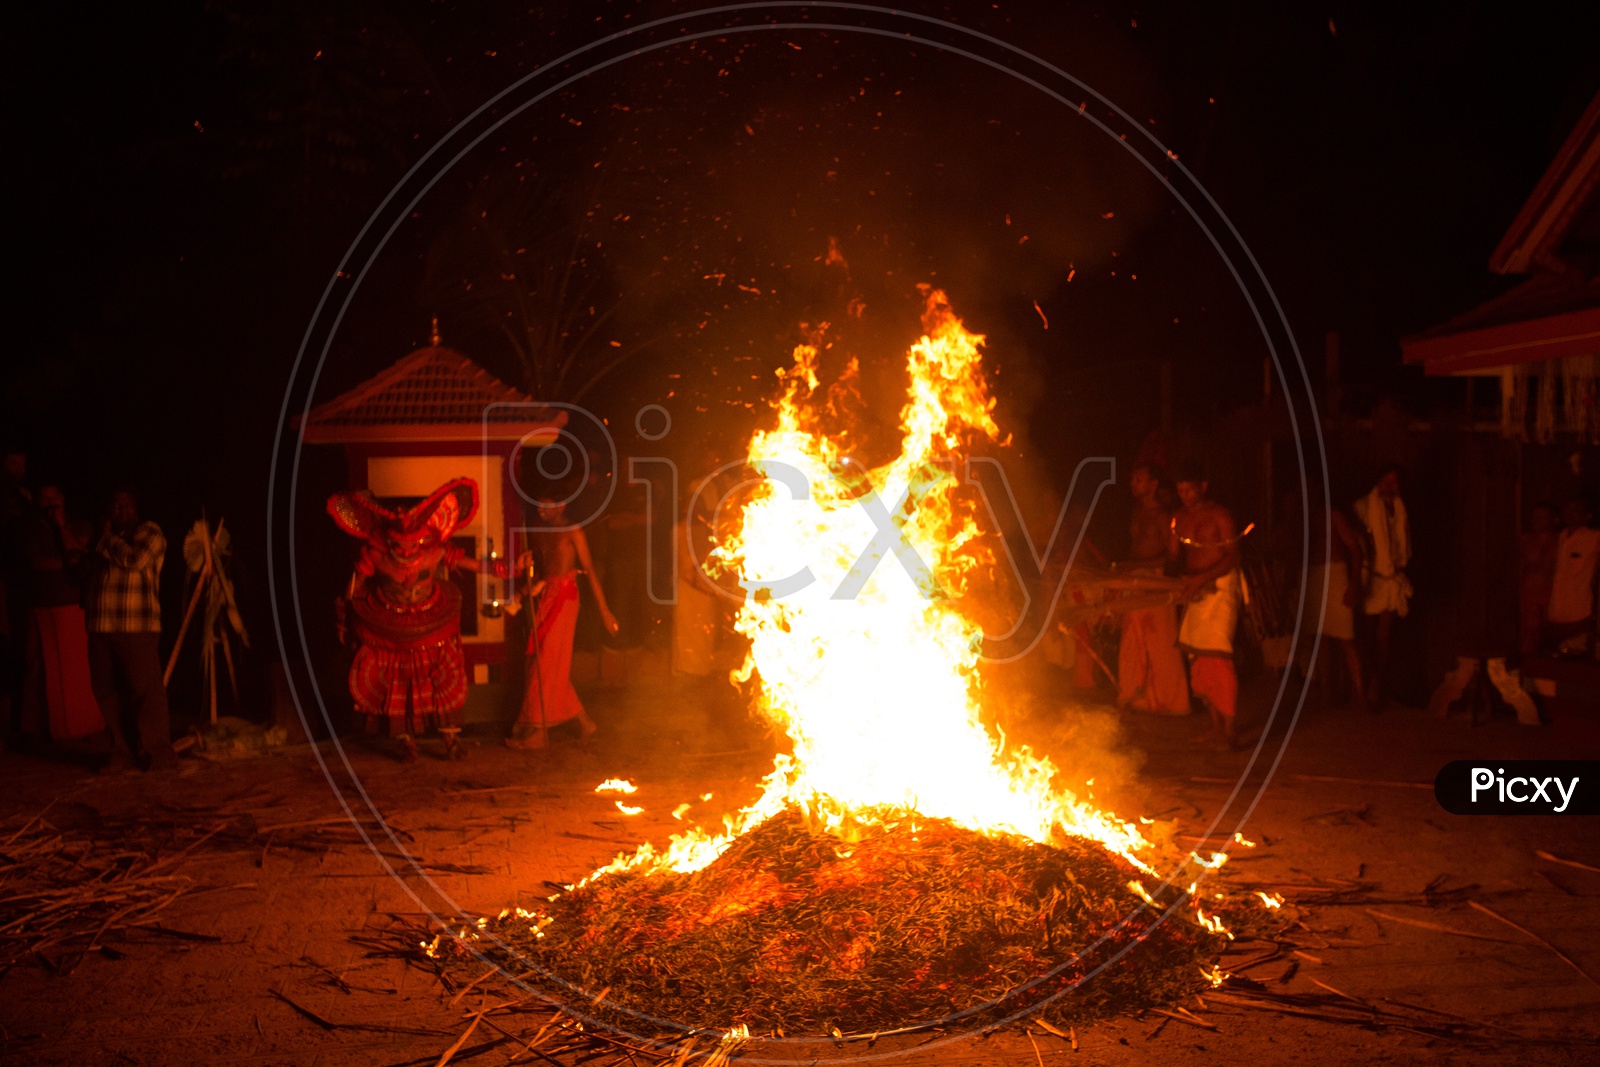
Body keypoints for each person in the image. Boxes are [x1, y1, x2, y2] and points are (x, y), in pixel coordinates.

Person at [328, 478, 493, 761]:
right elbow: (354, 587)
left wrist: (510, 567)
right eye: (397, 545)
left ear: (422, 538)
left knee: (442, 681)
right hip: (390, 628)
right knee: (397, 685)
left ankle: (450, 739)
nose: (405, 552)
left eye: (412, 544)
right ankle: (407, 743)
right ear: (388, 540)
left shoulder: (435, 551)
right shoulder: (376, 555)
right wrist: (344, 619)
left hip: (430, 623)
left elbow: (477, 565)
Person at [507, 497, 619, 749]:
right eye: (538, 506)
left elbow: (589, 570)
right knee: (547, 660)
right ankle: (584, 722)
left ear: (562, 505)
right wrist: (522, 593)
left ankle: (537, 731)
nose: (540, 510)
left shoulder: (573, 531)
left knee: (545, 661)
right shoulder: (540, 531)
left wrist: (605, 612)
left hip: (566, 598)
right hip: (548, 597)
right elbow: (545, 575)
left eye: (546, 505)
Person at [85, 489, 177, 772]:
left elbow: (135, 561)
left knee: (145, 691)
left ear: (136, 509)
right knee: (108, 692)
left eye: (126, 505)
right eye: (115, 506)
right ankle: (121, 754)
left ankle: (157, 754)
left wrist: (105, 539)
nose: (120, 511)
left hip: (135, 625)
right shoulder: (102, 543)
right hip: (101, 625)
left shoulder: (150, 532)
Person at [21, 485, 101, 742]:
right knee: (45, 668)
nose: (51, 503)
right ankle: (50, 727)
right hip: (46, 604)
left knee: (76, 667)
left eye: (55, 497)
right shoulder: (28, 528)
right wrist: (70, 562)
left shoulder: (78, 525)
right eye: (44, 498)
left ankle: (80, 723)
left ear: (63, 498)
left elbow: (81, 550)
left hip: (74, 603)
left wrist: (61, 527)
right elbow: (34, 562)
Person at [1171, 465, 1243, 747]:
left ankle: (1230, 729)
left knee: (1218, 656)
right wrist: (1177, 581)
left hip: (1221, 586)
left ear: (1203, 486)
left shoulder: (1220, 516)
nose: (1185, 495)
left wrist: (1203, 578)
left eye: (1189, 488)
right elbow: (1174, 558)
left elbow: (1233, 556)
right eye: (1180, 490)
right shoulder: (1177, 518)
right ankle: (1215, 726)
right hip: (1194, 590)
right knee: (1197, 657)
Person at [1116, 463, 1189, 714]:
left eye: (1138, 478)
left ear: (1153, 484)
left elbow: (1172, 558)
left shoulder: (1163, 516)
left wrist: (1138, 566)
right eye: (1132, 478)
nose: (1132, 482)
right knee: (1132, 639)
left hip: (1155, 582)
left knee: (1160, 641)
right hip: (1135, 579)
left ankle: (1172, 702)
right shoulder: (1137, 511)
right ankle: (1138, 697)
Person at [1302, 496, 1368, 711]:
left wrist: (1353, 585)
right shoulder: (1305, 518)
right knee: (1320, 637)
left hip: (1336, 574)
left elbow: (1356, 550)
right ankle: (1327, 693)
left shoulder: (1334, 516)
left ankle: (1360, 694)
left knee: (1345, 637)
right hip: (1313, 575)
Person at [1353, 467, 1411, 707]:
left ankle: (1380, 687)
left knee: (1384, 637)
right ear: (1378, 481)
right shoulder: (1364, 507)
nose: (1389, 485)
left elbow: (1401, 543)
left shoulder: (1398, 507)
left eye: (1393, 481)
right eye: (1385, 480)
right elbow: (1359, 542)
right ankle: (1365, 688)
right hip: (1373, 578)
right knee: (1367, 636)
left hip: (1391, 578)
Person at [1546, 497, 1599, 655]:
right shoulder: (1559, 537)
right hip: (1554, 615)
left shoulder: (1594, 538)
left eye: (1576, 510)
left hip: (1579, 616)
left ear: (1587, 515)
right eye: (1568, 510)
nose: (1570, 514)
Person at [1519, 502, 1560, 655]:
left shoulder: (1561, 541)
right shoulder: (1525, 540)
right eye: (1535, 517)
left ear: (1554, 520)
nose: (1537, 521)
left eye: (1543, 517)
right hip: (1529, 595)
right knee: (1529, 634)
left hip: (1552, 596)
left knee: (1548, 636)